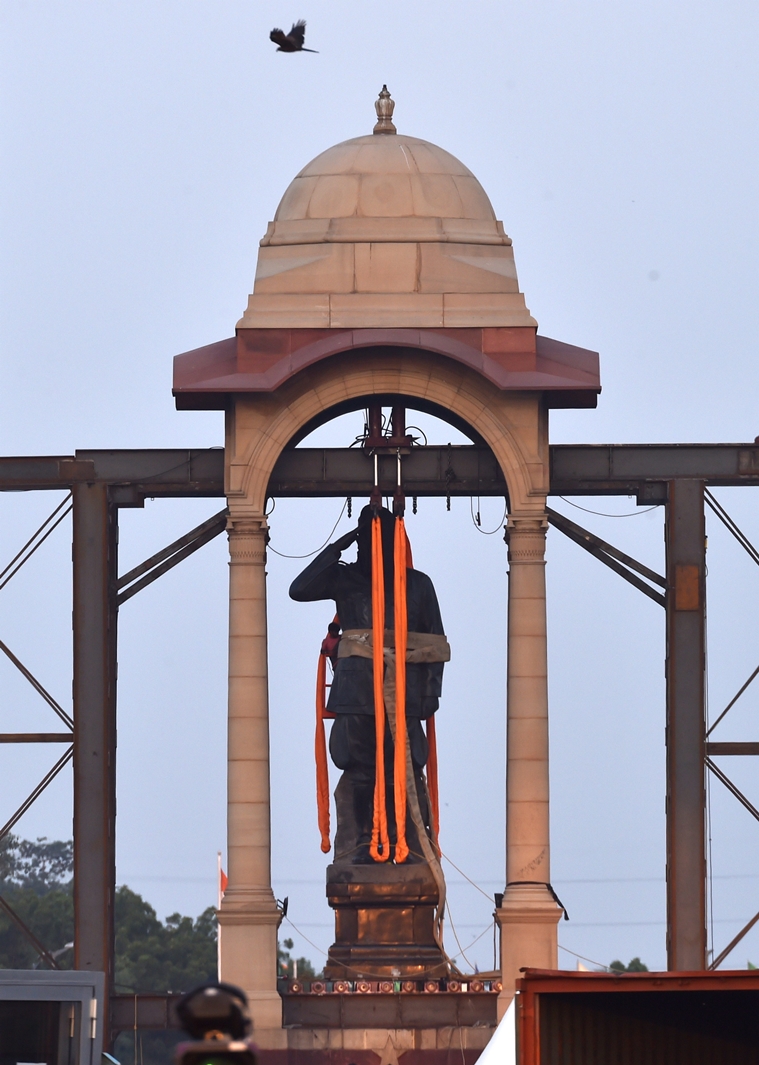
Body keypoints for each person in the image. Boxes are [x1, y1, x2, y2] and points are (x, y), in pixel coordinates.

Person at [289, 505, 448, 863]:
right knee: (358, 768)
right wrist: (337, 549)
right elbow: (299, 589)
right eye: (364, 538)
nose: (370, 546)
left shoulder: (418, 585)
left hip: (403, 692)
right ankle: (359, 842)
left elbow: (436, 644)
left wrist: (429, 696)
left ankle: (408, 844)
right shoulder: (345, 579)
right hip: (354, 692)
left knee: (404, 766)